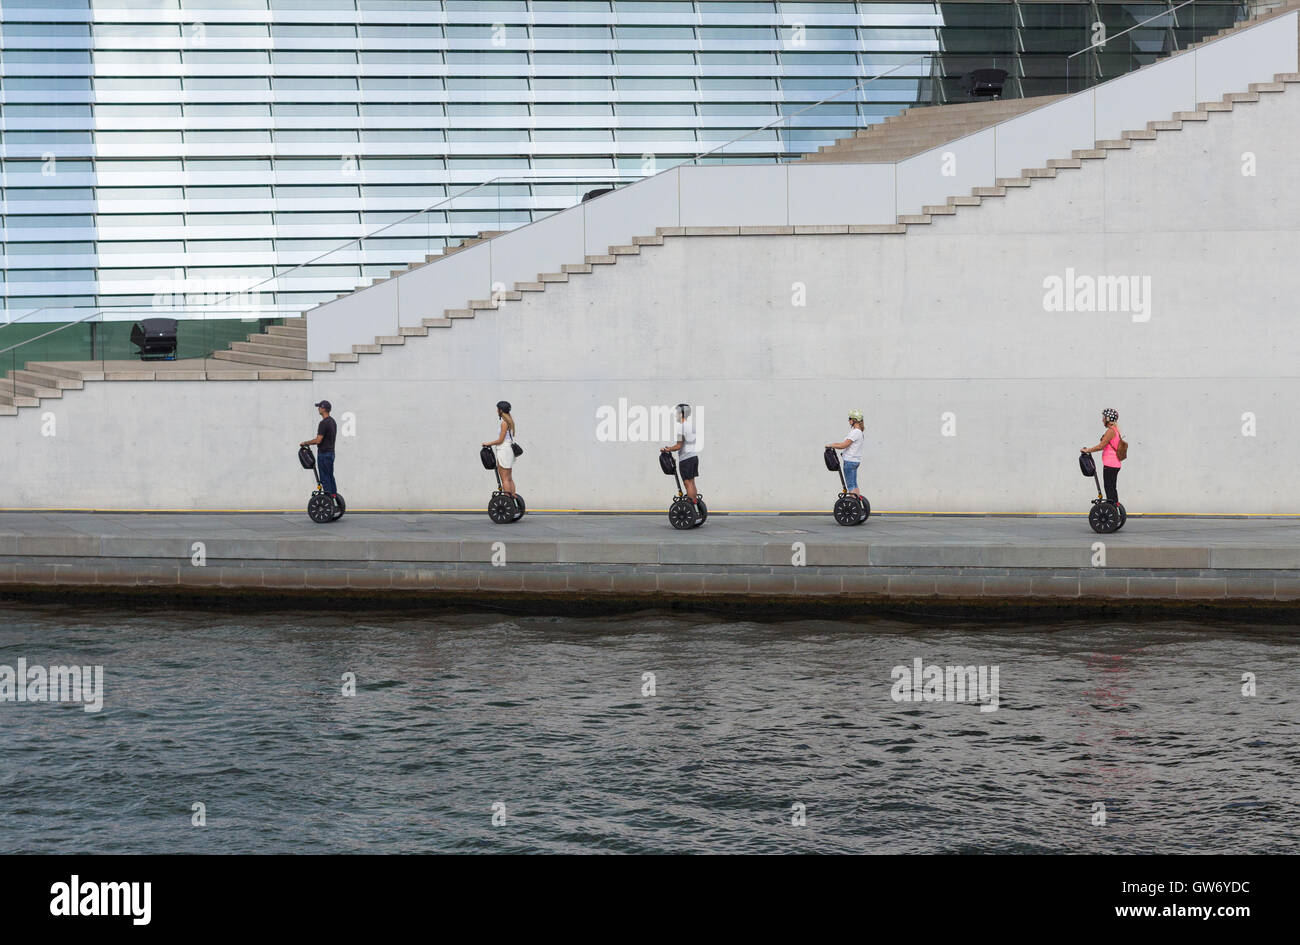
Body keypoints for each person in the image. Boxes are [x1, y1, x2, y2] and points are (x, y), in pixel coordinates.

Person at [661, 403, 701, 523]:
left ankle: (691, 509)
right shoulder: (691, 426)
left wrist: (667, 449)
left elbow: (679, 445)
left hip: (686, 459)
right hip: (693, 457)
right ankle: (694, 507)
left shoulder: (681, 427)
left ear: (681, 413)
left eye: (677, 413)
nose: (676, 415)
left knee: (687, 483)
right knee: (692, 483)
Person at [1081, 408, 1123, 505]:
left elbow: (1101, 446)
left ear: (1108, 418)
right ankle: (1114, 507)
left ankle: (1112, 509)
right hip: (1115, 464)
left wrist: (1087, 450)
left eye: (1104, 417)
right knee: (1111, 487)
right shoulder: (1116, 430)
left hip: (1110, 464)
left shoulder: (1111, 431)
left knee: (1109, 487)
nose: (1102, 420)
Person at [300, 400, 338, 496]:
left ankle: (328, 499)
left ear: (323, 409)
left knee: (324, 478)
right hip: (331, 453)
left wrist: (305, 443)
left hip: (324, 454)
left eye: (319, 407)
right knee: (330, 476)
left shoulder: (323, 423)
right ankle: (333, 496)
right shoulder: (333, 421)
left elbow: (318, 440)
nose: (318, 409)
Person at [825, 409, 865, 497]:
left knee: (851, 486)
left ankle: (854, 504)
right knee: (854, 484)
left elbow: (844, 445)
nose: (848, 421)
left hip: (850, 462)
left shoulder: (855, 432)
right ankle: (857, 503)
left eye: (849, 419)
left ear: (854, 420)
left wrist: (831, 445)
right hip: (855, 461)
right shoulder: (859, 432)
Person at [483, 400, 519, 497]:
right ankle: (513, 497)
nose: (496, 411)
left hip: (504, 450)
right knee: (509, 477)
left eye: (497, 409)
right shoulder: (510, 421)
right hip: (509, 450)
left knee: (504, 479)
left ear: (501, 411)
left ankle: (507, 499)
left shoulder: (504, 423)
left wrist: (488, 443)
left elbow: (500, 440)